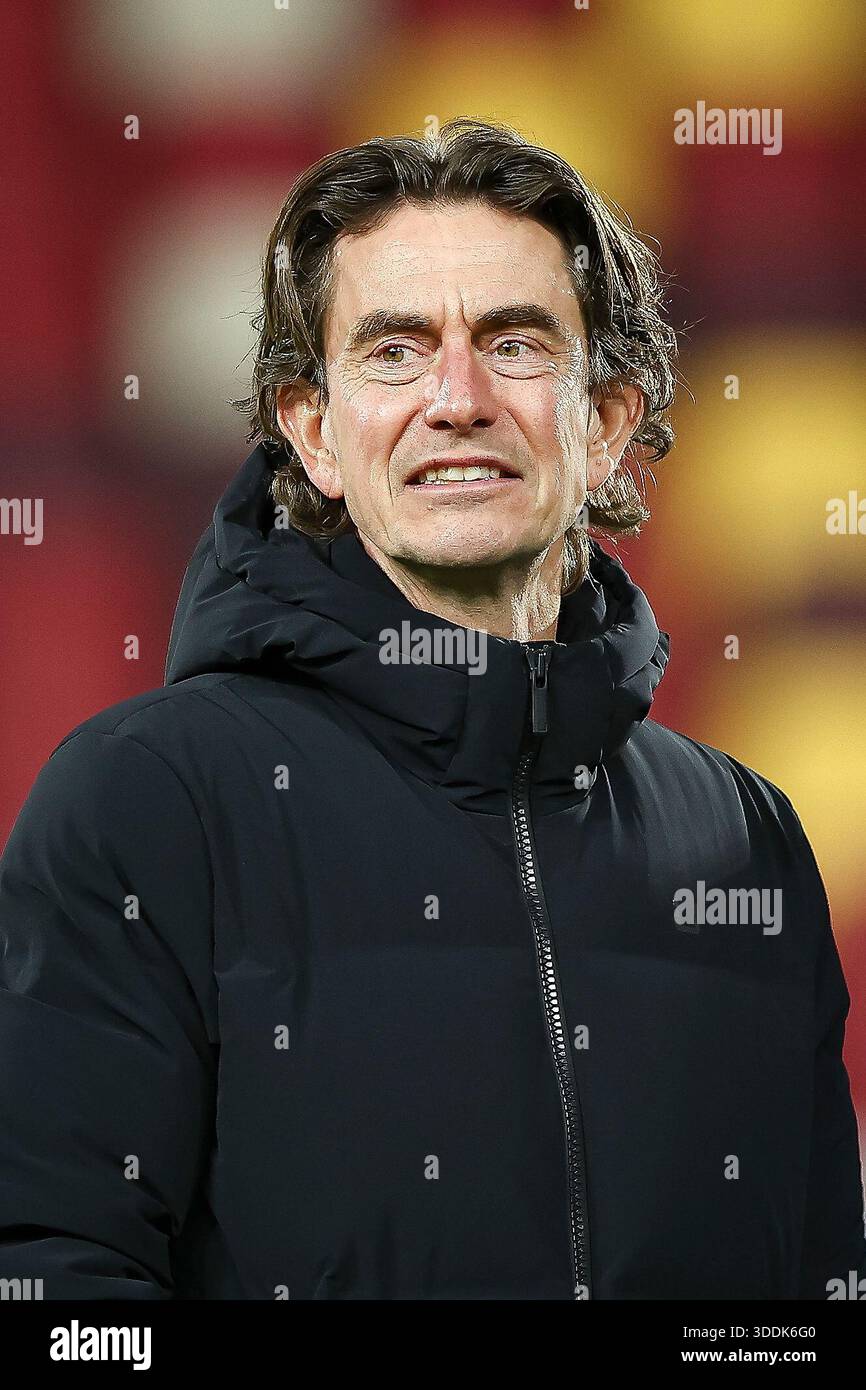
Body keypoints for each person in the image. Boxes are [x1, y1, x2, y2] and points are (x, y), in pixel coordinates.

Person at [0, 119, 863, 1301]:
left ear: (606, 422)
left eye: (513, 343)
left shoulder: (743, 839)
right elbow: (53, 1293)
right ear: (312, 434)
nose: (455, 400)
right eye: (394, 352)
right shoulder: (146, 803)